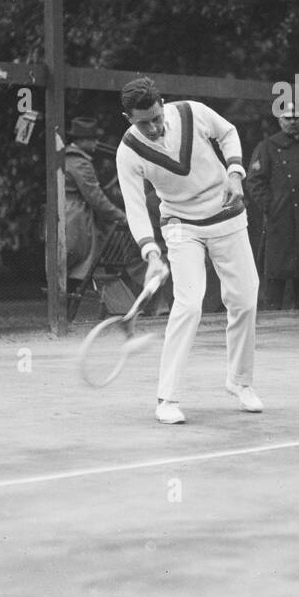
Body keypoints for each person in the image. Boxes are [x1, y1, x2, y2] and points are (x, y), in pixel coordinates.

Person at [114, 77, 261, 424]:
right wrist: (151, 253)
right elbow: (135, 207)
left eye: (155, 116)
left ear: (162, 103)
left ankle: (239, 382)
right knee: (189, 304)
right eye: (142, 122)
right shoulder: (128, 152)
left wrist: (236, 173)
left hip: (226, 214)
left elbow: (228, 132)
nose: (152, 126)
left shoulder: (192, 112)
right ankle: (167, 398)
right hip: (180, 224)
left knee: (245, 299)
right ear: (127, 118)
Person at [247, 100, 299, 310]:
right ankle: (272, 330)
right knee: (275, 280)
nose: (292, 122)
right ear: (279, 120)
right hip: (280, 223)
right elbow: (254, 181)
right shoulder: (267, 147)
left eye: (297, 117)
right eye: (287, 118)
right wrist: (271, 207)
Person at [64, 117, 127, 317]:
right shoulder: (79, 162)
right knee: (80, 264)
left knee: (73, 267)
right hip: (75, 219)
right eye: (91, 139)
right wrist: (121, 216)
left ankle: (68, 311)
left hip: (68, 215)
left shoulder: (67, 158)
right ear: (81, 141)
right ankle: (67, 311)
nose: (95, 144)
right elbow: (96, 198)